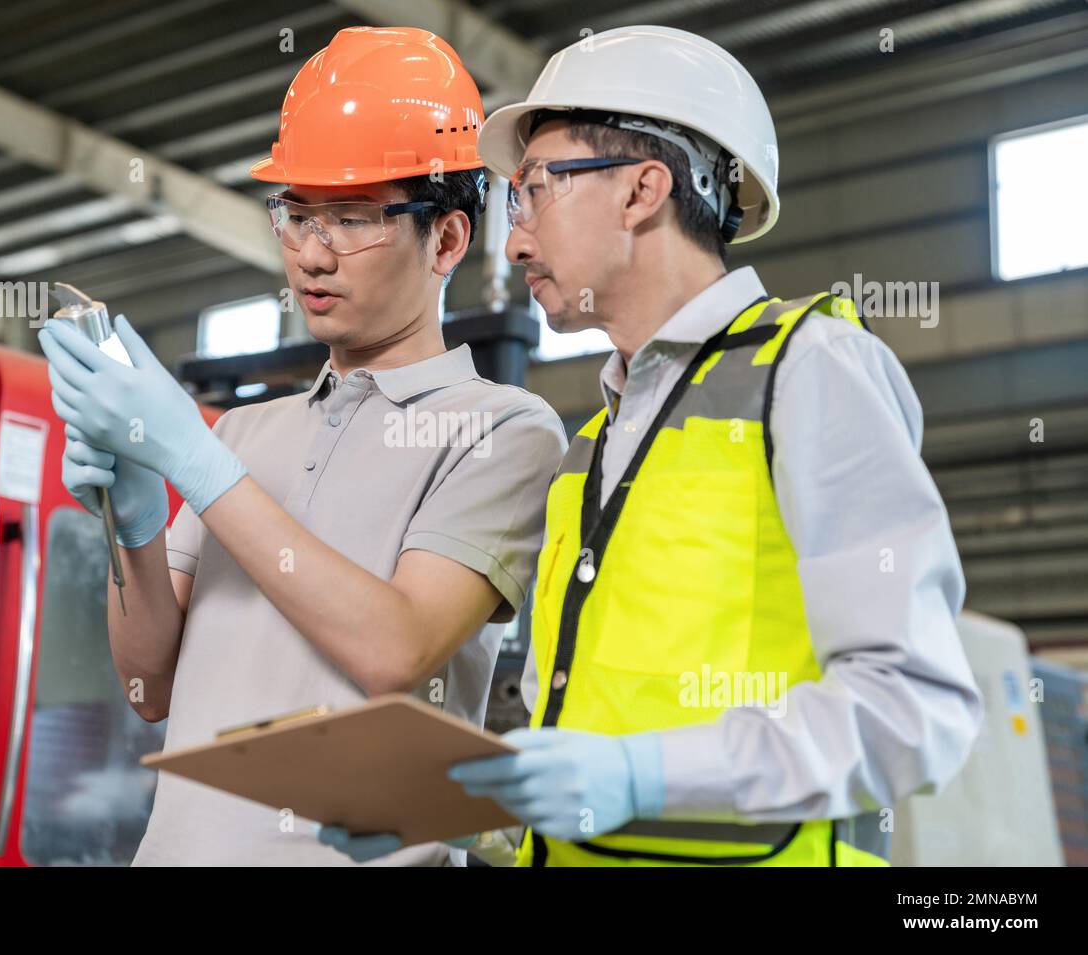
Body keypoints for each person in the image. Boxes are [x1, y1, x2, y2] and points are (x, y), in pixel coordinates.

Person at [326, 24, 983, 868]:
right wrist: (469, 813)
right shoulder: (592, 447)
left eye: (535, 191)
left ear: (642, 191)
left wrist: (642, 774)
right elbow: (592, 747)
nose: (517, 238)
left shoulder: (808, 368)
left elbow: (914, 708)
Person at [38, 26, 566, 866]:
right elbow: (147, 685)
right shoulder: (248, 431)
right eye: (297, 215)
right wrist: (133, 516)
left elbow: (394, 649)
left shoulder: (501, 431)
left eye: (353, 218)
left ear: (450, 239)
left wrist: (201, 466)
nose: (311, 256)